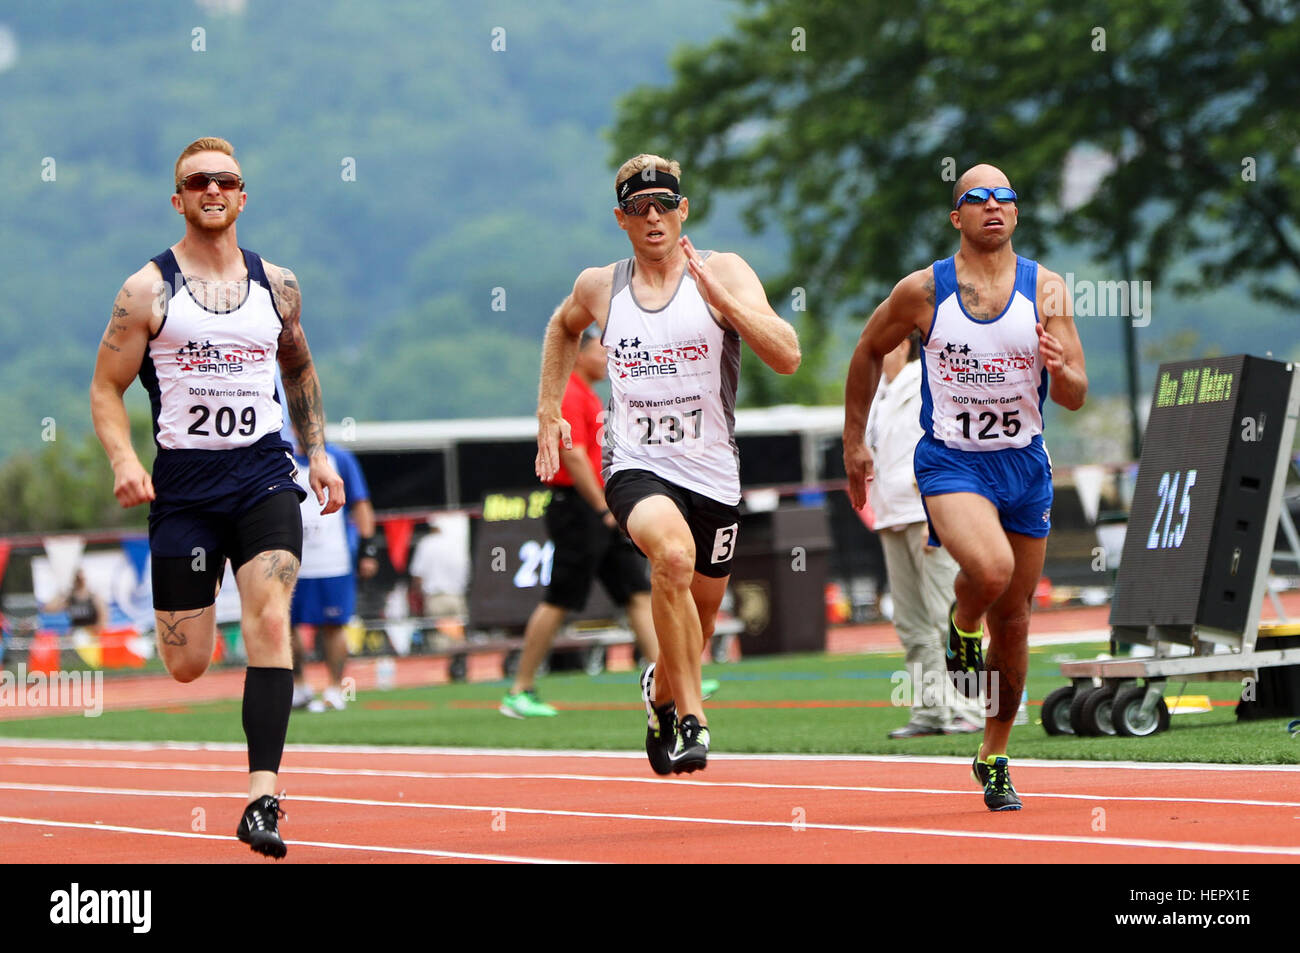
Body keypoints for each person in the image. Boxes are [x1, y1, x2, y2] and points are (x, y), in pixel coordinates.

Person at [89, 136, 344, 856]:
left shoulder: (278, 285)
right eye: (197, 181)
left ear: (241, 195)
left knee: (270, 617)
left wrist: (317, 452)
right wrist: (123, 460)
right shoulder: (146, 290)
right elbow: (105, 387)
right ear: (178, 199)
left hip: (265, 475)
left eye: (225, 180)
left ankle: (262, 796)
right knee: (188, 661)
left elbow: (298, 365)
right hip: (185, 489)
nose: (212, 189)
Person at [536, 154, 800, 774]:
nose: (653, 218)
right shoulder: (601, 286)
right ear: (621, 220)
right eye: (638, 208)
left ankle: (659, 694)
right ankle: (692, 717)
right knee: (672, 560)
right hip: (635, 464)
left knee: (701, 618)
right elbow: (561, 327)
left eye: (663, 206)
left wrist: (729, 307)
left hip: (712, 469)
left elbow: (787, 355)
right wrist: (549, 411)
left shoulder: (724, 271)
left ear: (684, 211)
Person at [843, 164, 1087, 811]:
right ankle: (961, 617)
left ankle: (995, 752)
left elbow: (1077, 392)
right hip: (953, 460)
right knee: (990, 569)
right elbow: (869, 350)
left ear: (1016, 213)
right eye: (976, 199)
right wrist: (854, 441)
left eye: (1005, 197)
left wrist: (1061, 370)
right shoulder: (924, 291)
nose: (992, 207)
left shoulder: (1049, 289)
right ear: (957, 216)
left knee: (1017, 616)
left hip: (1024, 464)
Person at [501, 329, 661, 718]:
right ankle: (520, 689)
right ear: (577, 354)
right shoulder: (569, 394)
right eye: (600, 351)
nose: (607, 359)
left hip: (599, 506)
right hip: (579, 507)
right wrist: (603, 508)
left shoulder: (588, 395)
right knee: (561, 598)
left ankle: (669, 678)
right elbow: (572, 457)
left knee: (636, 590)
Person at [865, 333, 984, 739]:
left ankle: (972, 709)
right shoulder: (877, 393)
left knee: (948, 614)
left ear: (901, 343)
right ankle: (931, 710)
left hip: (926, 512)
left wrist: (938, 516)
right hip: (890, 516)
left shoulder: (924, 381)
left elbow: (944, 441)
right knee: (911, 621)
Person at [289, 441, 378, 713]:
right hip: (293, 558)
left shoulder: (340, 458)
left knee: (334, 624)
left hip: (333, 558)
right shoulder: (284, 456)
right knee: (284, 623)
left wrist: (367, 550)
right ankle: (299, 687)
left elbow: (361, 504)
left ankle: (334, 689)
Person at [45, 569, 109, 634]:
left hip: (92, 633)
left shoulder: (93, 597)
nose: (80, 581)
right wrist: (60, 593)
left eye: (82, 578)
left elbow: (103, 616)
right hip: (76, 633)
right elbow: (49, 609)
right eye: (78, 579)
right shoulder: (70, 597)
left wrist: (97, 631)